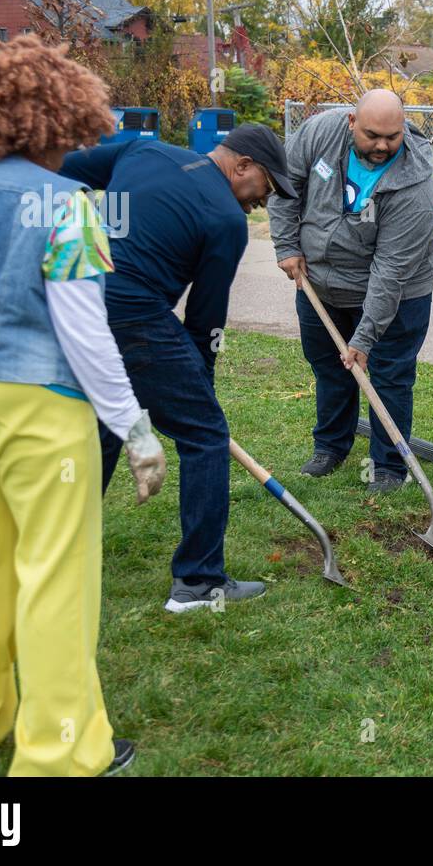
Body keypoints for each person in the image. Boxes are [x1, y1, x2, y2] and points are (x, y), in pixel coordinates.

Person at [0, 35, 166, 775]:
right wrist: (134, 428)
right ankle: (59, 755)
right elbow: (84, 330)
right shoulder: (69, 205)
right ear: (59, 123)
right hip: (36, 406)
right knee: (54, 575)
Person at [59, 123, 296, 613]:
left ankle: (60, 553)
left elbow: (58, 170)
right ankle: (199, 583)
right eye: (265, 189)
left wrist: (79, 231)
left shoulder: (142, 152)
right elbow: (205, 322)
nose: (264, 202)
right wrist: (200, 394)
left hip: (75, 304)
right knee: (205, 436)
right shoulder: (226, 221)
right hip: (135, 314)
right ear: (243, 166)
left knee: (105, 424)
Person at [268, 89, 433, 493]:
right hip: (320, 282)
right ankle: (330, 447)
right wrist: (287, 246)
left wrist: (363, 339)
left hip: (395, 293)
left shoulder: (415, 189)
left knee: (389, 375)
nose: (382, 146)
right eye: (372, 135)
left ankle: (388, 467)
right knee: (329, 367)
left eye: (392, 137)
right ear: (350, 122)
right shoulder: (320, 133)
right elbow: (285, 184)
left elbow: (390, 271)